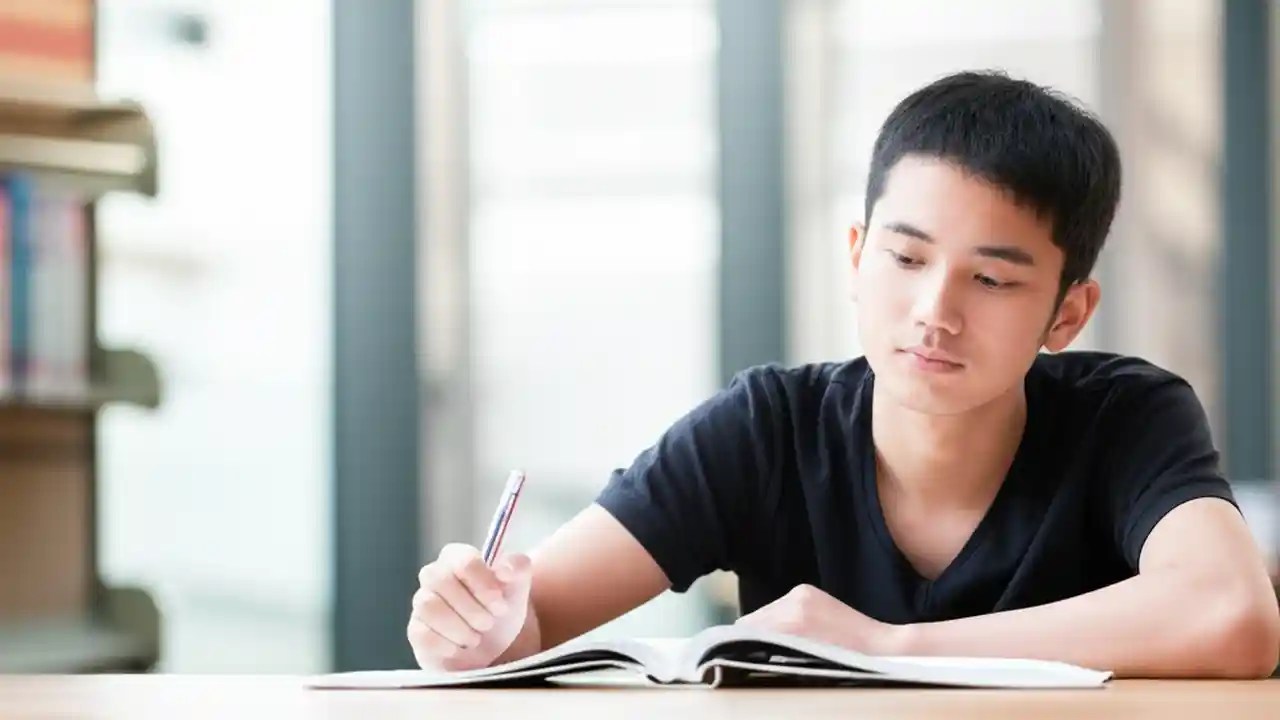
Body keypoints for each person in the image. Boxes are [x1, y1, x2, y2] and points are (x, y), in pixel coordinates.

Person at [406, 71, 1280, 679]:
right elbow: (539, 619)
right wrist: (478, 629)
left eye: (992, 279)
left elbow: (1232, 617)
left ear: (1067, 313)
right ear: (857, 258)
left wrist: (878, 649)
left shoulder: (1125, 415)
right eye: (906, 258)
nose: (935, 310)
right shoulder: (767, 427)